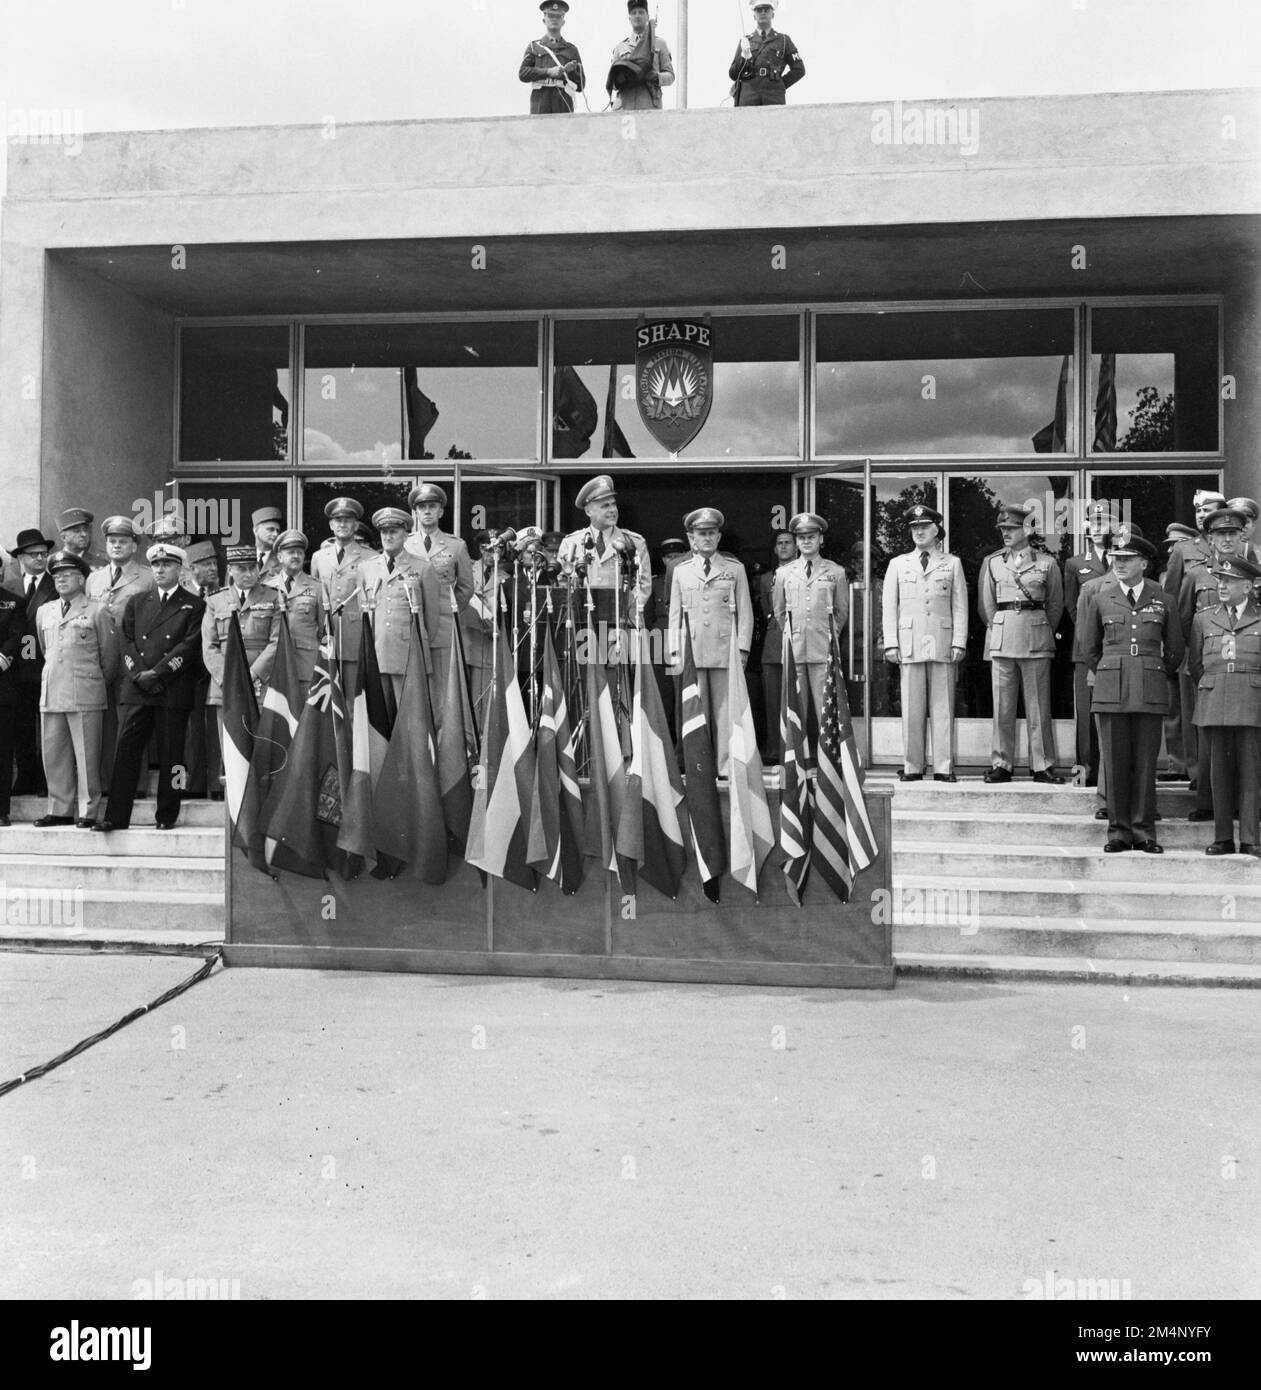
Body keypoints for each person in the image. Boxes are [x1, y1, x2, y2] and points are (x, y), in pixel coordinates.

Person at [94, 542, 206, 832]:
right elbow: (125, 642)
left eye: (166, 565)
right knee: (126, 752)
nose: (159, 570)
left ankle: (166, 815)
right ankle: (116, 816)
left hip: (172, 688)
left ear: (179, 569)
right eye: (155, 565)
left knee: (172, 756)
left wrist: (159, 672)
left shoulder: (194, 604)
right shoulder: (137, 602)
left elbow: (190, 645)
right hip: (137, 689)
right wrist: (139, 674)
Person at [1081, 532, 1182, 854]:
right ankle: (1119, 832)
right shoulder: (1101, 596)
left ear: (1144, 563)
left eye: (1126, 559)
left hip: (1150, 688)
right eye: (1116, 558)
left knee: (1144, 764)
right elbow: (1090, 648)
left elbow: (1176, 649)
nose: (1119, 564)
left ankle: (1144, 832)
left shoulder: (1163, 598)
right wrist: (1113, 670)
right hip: (1111, 690)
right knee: (1115, 762)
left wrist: (1152, 670)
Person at [978, 503, 1064, 783]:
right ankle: (1002, 763)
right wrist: (1000, 628)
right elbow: (987, 607)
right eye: (1002, 529)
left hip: (1035, 638)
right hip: (1003, 640)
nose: (1005, 533)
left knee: (1038, 705)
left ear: (1027, 529)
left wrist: (1037, 627)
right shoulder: (993, 562)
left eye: (1011, 528)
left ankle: (1041, 765)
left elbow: (1055, 606)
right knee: (1002, 705)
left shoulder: (1047, 563)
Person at [881, 503, 967, 782]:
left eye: (924, 527)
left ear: (936, 530)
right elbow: (888, 607)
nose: (918, 532)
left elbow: (960, 606)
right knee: (911, 708)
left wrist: (959, 641)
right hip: (909, 642)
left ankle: (943, 766)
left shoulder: (952, 563)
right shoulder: (898, 564)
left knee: (943, 708)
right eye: (914, 528)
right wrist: (891, 643)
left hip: (941, 640)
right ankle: (912, 766)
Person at [669, 507, 753, 776]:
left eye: (711, 533)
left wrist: (742, 648)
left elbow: (745, 612)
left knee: (725, 713)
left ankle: (726, 767)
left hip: (724, 651)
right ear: (691, 538)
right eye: (700, 534)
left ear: (718, 537)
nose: (706, 538)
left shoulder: (734, 569)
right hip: (692, 651)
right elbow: (674, 616)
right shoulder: (681, 571)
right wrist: (674, 650)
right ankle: (699, 767)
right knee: (696, 711)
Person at [1189, 554, 1261, 857]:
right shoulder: (1204, 618)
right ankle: (1222, 837)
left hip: (1252, 700)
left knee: (1251, 773)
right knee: (1217, 773)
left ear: (1248, 586)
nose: (1222, 585)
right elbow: (1195, 664)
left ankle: (1249, 838)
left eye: (1229, 581)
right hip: (1214, 699)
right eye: (1220, 579)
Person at [33, 551, 112, 829]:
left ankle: (88, 809)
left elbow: (109, 657)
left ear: (81, 578)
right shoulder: (46, 610)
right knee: (53, 753)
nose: (61, 580)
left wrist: (93, 680)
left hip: (85, 690)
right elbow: (46, 650)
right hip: (53, 689)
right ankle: (60, 808)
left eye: (67, 574)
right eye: (56, 575)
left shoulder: (97, 609)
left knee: (87, 755)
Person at [1179, 506, 1247, 825]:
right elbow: (1183, 620)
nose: (1227, 539)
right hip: (1208, 667)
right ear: (1210, 538)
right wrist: (1197, 668)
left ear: (1241, 535)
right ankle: (1207, 802)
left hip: (1246, 669)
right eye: (1221, 534)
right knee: (1208, 740)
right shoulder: (1196, 574)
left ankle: (1246, 806)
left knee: (1247, 741)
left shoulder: (1253, 570)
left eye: (1233, 533)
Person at [85, 516, 155, 787]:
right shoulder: (93, 579)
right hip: (101, 659)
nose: (116, 546)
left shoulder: (147, 577)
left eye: (123, 542)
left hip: (132, 659)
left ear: (134, 546)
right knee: (105, 723)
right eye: (112, 541)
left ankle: (133, 784)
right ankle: (105, 782)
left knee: (132, 722)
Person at [558, 474, 651, 661]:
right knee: (587, 686)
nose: (612, 510)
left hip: (622, 626)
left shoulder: (633, 542)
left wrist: (625, 617)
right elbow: (562, 585)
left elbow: (643, 585)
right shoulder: (572, 543)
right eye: (605, 506)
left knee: (621, 686)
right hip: (583, 627)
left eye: (613, 504)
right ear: (588, 511)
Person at [774, 512, 849, 742]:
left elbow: (841, 611)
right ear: (796, 541)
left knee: (826, 711)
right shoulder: (784, 573)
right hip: (795, 649)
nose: (806, 541)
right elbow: (779, 611)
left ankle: (830, 771)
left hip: (823, 649)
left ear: (820, 539)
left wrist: (829, 633)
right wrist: (792, 632)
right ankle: (798, 767)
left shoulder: (835, 572)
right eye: (802, 537)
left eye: (811, 536)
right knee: (795, 713)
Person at [403, 483, 473, 717]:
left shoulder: (456, 545)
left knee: (443, 690)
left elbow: (465, 588)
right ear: (415, 512)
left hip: (443, 628)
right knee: (412, 687)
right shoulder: (404, 544)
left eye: (432, 506)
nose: (427, 511)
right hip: (410, 624)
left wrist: (448, 612)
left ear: (441, 511)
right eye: (422, 507)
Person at [359, 508, 438, 703]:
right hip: (376, 654)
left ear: (405, 535)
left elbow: (432, 619)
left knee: (409, 718)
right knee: (378, 719)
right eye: (384, 532)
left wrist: (419, 647)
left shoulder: (422, 567)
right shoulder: (366, 568)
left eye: (393, 531)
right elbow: (364, 615)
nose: (388, 536)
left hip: (408, 654)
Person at [1064, 504, 1113, 785]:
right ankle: (1085, 771)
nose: (1096, 528)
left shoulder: (1120, 558)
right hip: (1086, 646)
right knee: (1086, 711)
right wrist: (1089, 634)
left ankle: (1111, 771)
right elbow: (1072, 607)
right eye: (1092, 523)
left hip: (1117, 644)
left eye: (1103, 523)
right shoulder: (1074, 563)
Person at [202, 547, 282, 715]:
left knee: (261, 738)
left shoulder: (273, 597)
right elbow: (209, 645)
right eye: (242, 569)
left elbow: (277, 641)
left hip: (261, 682)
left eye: (253, 568)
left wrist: (253, 674)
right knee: (229, 740)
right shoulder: (215, 600)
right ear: (230, 570)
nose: (249, 574)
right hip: (226, 684)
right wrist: (228, 677)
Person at [10, 529, 57, 798]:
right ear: (21, 557)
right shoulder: (12, 585)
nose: (40, 558)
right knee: (21, 725)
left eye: (44, 554)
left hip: (44, 665)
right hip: (16, 668)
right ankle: (25, 776)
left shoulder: (54, 584)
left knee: (47, 727)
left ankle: (44, 779)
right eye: (34, 554)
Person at [311, 497, 373, 692]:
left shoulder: (369, 556)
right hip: (327, 635)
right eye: (338, 520)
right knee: (326, 699)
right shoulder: (319, 557)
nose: (343, 524)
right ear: (331, 524)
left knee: (351, 700)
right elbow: (315, 595)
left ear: (355, 525)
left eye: (348, 520)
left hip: (354, 637)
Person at [183, 540, 222, 799]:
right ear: (192, 568)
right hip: (188, 673)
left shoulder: (223, 594)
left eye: (214, 564)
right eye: (206, 564)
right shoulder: (182, 594)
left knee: (216, 730)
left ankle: (217, 785)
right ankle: (193, 784)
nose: (212, 569)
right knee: (191, 731)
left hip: (216, 669)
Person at [267, 529, 327, 697]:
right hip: (275, 665)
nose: (296, 556)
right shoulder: (267, 587)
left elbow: (324, 631)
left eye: (300, 552)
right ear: (279, 557)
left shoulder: (317, 587)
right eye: (290, 552)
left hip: (306, 665)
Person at [758, 532, 796, 762]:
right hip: (774, 643)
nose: (783, 546)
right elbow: (767, 611)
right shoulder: (765, 579)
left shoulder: (802, 571)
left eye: (787, 543)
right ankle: (774, 749)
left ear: (796, 546)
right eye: (779, 543)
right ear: (774, 549)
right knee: (773, 702)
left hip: (801, 641)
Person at [0, 565, 32, 827]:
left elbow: (16, 638)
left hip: (2, 685)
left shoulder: (13, 603)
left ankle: (1, 810)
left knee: (2, 750)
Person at [729, 2, 804, 108]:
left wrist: (780, 85)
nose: (763, 13)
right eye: (759, 10)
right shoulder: (746, 41)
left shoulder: (783, 40)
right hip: (748, 97)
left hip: (774, 97)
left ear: (773, 14)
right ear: (754, 16)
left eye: (766, 10)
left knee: (774, 124)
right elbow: (733, 74)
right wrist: (743, 56)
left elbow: (799, 69)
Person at [520, 1, 584, 115]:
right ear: (544, 20)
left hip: (563, 102)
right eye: (550, 16)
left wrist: (571, 71)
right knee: (539, 132)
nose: (554, 19)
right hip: (540, 101)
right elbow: (523, 74)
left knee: (564, 131)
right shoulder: (534, 47)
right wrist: (548, 72)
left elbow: (581, 86)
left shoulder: (571, 49)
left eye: (558, 16)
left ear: (563, 21)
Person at [608, 1, 674, 111]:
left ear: (647, 16)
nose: (637, 16)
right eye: (633, 13)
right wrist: (620, 77)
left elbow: (670, 76)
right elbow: (612, 84)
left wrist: (656, 77)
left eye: (641, 12)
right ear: (629, 18)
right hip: (624, 107)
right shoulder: (621, 47)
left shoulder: (660, 44)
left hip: (649, 106)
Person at [1163, 488, 1225, 598]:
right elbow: (1171, 595)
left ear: (1220, 514)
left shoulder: (1233, 546)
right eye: (1198, 511)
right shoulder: (1182, 548)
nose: (1201, 515)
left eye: (1206, 510)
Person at [55, 507, 107, 572]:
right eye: (77, 531)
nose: (84, 534)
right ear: (63, 537)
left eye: (85, 529)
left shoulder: (101, 563)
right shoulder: (52, 562)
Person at [251, 506, 284, 581]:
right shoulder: (242, 558)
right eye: (271, 529)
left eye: (278, 531)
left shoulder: (282, 560)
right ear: (256, 531)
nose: (276, 534)